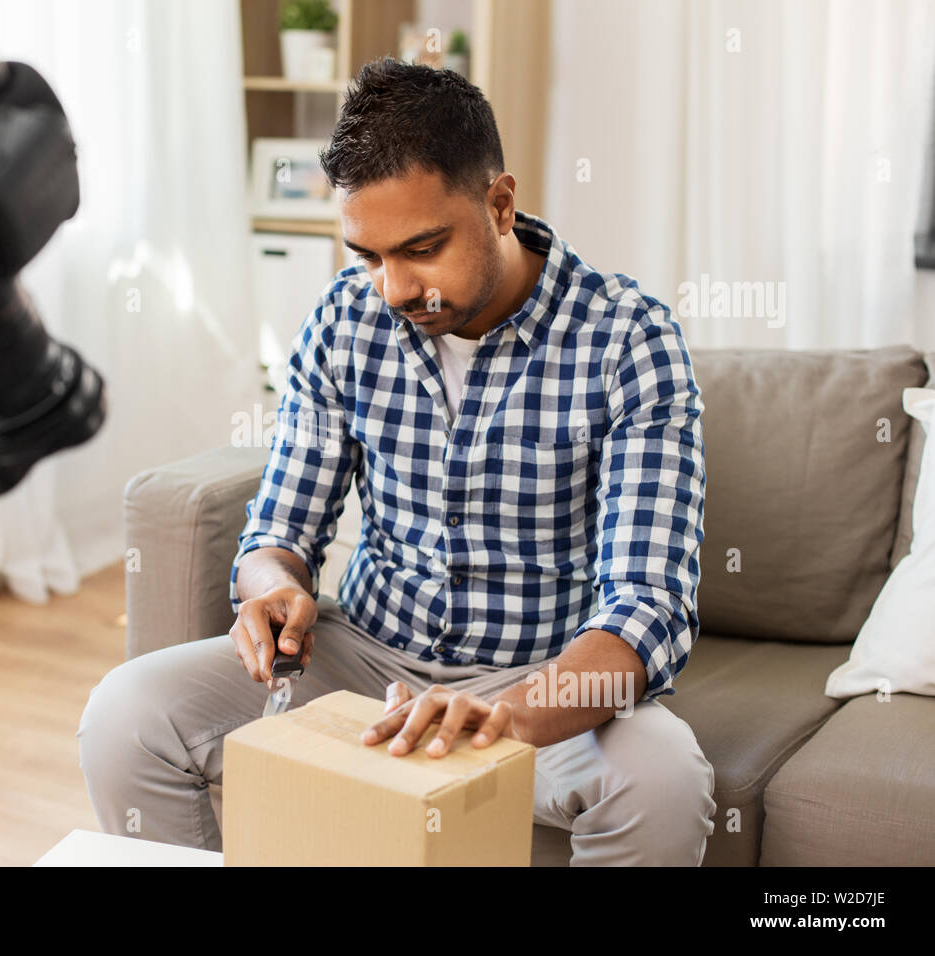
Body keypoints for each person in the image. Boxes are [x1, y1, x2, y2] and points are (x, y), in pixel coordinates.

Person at [78, 57, 715, 865]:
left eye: (421, 247)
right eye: (369, 255)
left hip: (537, 675)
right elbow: (277, 531)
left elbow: (647, 610)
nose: (392, 288)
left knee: (664, 784)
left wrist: (508, 718)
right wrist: (273, 591)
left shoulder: (629, 339)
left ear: (500, 203)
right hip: (362, 658)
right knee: (124, 714)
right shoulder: (346, 319)